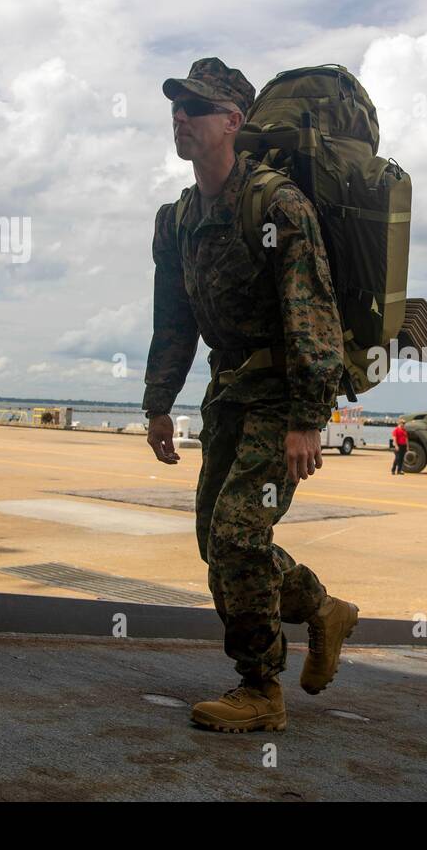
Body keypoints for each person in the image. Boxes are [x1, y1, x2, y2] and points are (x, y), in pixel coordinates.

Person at [143, 56, 358, 733]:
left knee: (239, 535)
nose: (181, 116)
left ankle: (261, 689)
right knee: (218, 543)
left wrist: (307, 418)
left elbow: (313, 315)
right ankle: (321, 608)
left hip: (279, 398)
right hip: (228, 394)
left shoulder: (277, 204)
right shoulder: (176, 219)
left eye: (196, 107)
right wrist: (158, 404)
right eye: (177, 105)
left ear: (233, 122)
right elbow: (174, 321)